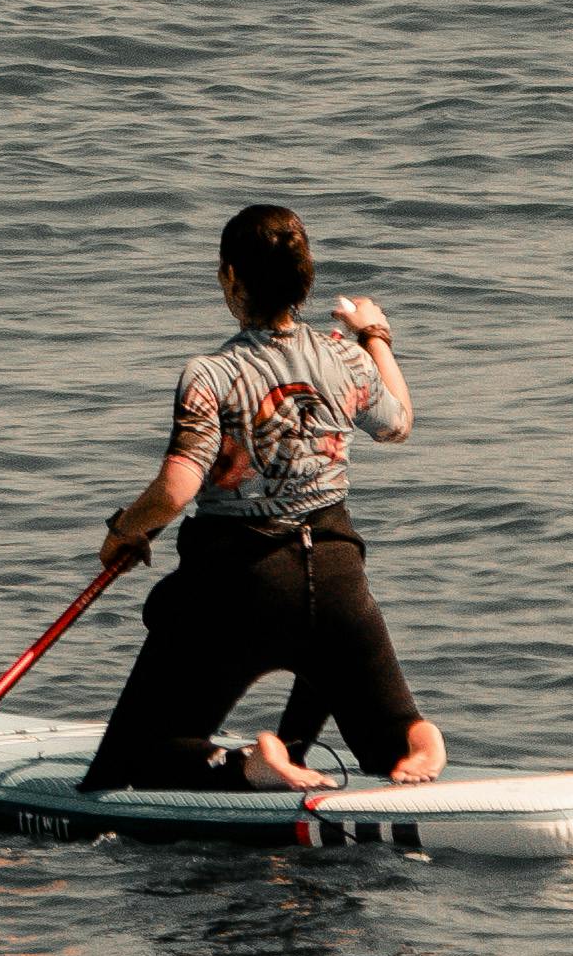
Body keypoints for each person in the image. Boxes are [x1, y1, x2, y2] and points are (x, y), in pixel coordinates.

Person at [76, 204, 442, 795]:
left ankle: (250, 764)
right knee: (380, 749)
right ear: (304, 282)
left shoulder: (212, 374)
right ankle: (410, 733)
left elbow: (179, 486)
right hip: (338, 574)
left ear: (229, 278)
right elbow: (397, 422)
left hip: (239, 585)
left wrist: (125, 530)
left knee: (128, 766)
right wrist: (375, 335)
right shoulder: (344, 356)